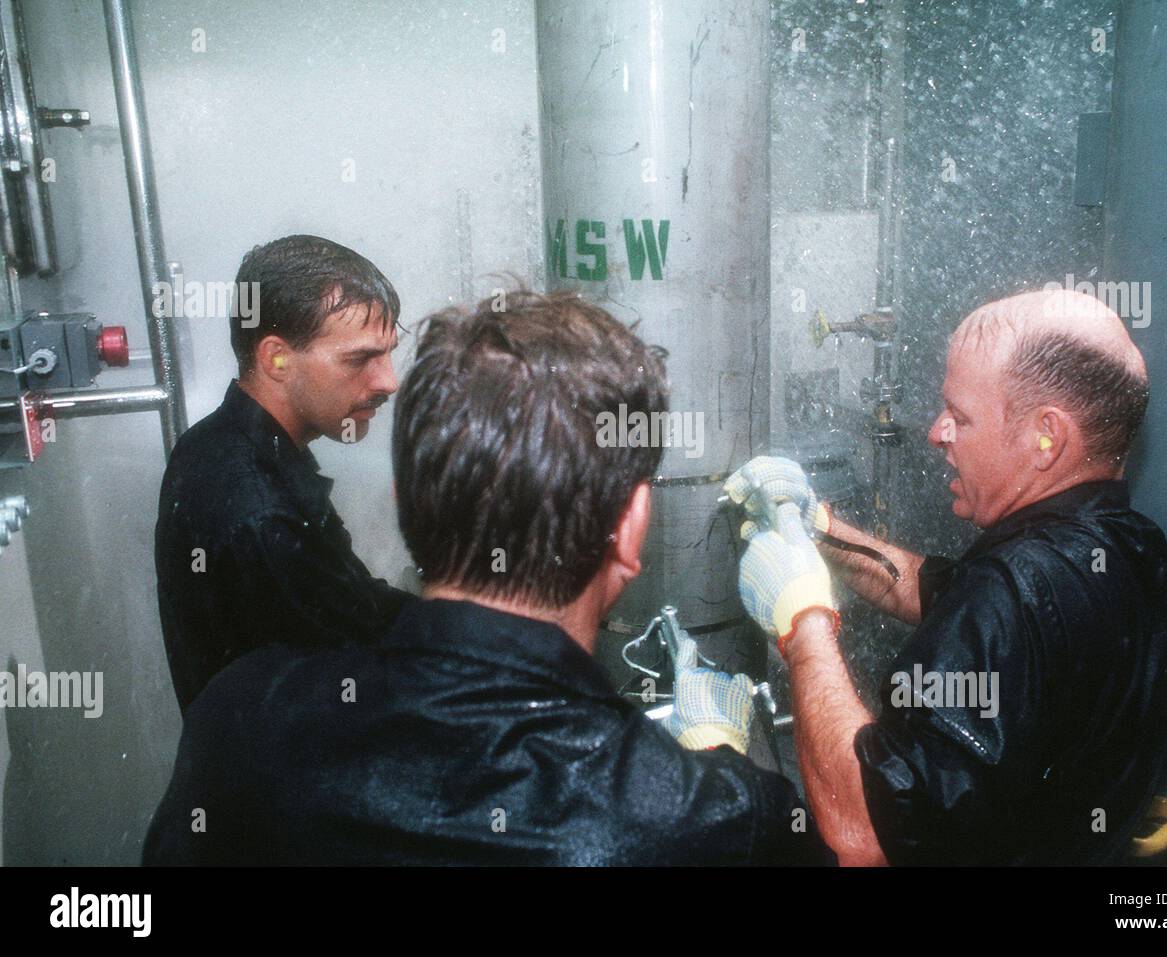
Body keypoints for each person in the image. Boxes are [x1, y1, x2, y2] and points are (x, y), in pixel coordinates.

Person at [144, 289, 832, 866]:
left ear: (407, 501)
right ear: (631, 526)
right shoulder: (715, 822)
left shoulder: (236, 720)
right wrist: (717, 766)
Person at [729, 288, 1167, 865]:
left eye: (960, 416)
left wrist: (802, 621)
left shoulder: (1010, 589)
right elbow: (948, 597)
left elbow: (863, 832)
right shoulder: (1136, 551)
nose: (936, 431)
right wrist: (816, 526)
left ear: (1047, 437)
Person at [154, 234, 413, 712]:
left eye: (388, 353)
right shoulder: (260, 513)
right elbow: (366, 674)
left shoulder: (216, 442)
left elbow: (353, 605)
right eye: (360, 359)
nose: (388, 381)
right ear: (276, 358)